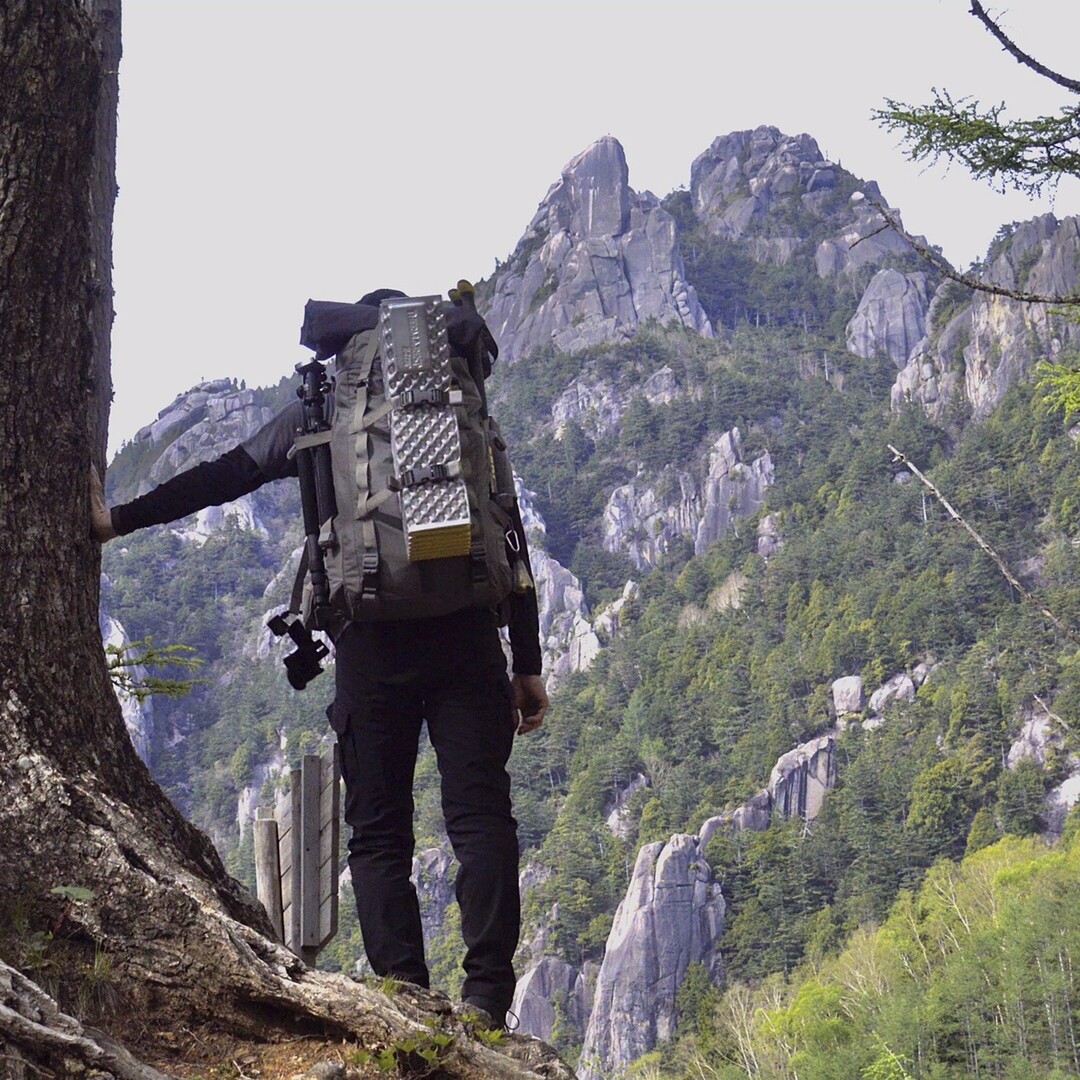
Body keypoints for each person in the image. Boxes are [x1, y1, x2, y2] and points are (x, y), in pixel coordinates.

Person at [92, 290, 549, 1029]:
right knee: (481, 819)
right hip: (467, 634)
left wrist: (117, 520)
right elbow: (510, 533)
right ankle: (487, 1002)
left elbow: (223, 475)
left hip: (370, 640)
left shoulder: (321, 407)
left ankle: (410, 999)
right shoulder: (457, 407)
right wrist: (526, 663)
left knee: (378, 834)